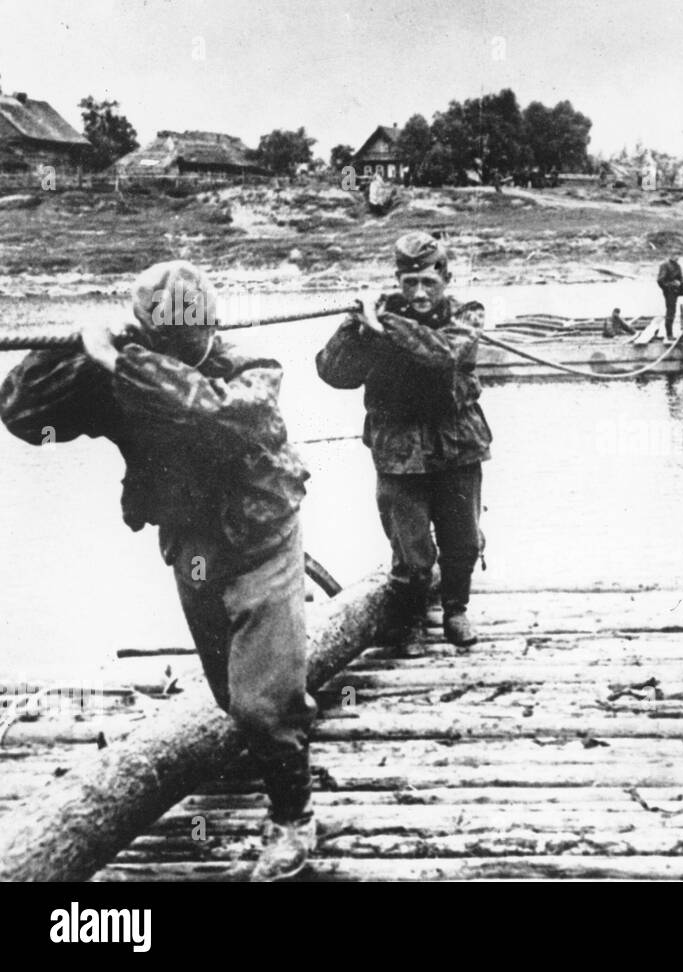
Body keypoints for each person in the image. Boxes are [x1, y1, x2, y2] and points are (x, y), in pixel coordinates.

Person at [0, 261, 316, 881]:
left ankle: (293, 815)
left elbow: (210, 413)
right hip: (193, 547)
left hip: (262, 540)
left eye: (190, 343)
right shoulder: (124, 372)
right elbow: (22, 417)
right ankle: (278, 741)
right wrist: (71, 353)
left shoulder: (248, 369)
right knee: (231, 693)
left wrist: (123, 362)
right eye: (165, 343)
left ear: (212, 328)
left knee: (261, 704)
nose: (183, 354)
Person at [316, 232, 491, 650]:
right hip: (399, 451)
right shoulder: (376, 319)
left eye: (429, 282)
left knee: (462, 541)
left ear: (445, 278)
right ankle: (410, 620)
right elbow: (334, 373)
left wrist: (384, 325)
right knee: (410, 553)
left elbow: (443, 355)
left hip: (456, 447)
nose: (418, 293)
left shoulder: (467, 314)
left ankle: (456, 610)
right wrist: (355, 327)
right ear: (397, 279)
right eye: (409, 283)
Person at [657, 256, 683, 338]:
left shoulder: (677, 266)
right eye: (674, 255)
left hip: (678, 289)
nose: (676, 257)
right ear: (670, 256)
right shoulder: (665, 265)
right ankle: (669, 334)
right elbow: (660, 280)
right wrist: (670, 285)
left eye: (677, 255)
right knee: (671, 310)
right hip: (669, 291)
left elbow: (681, 278)